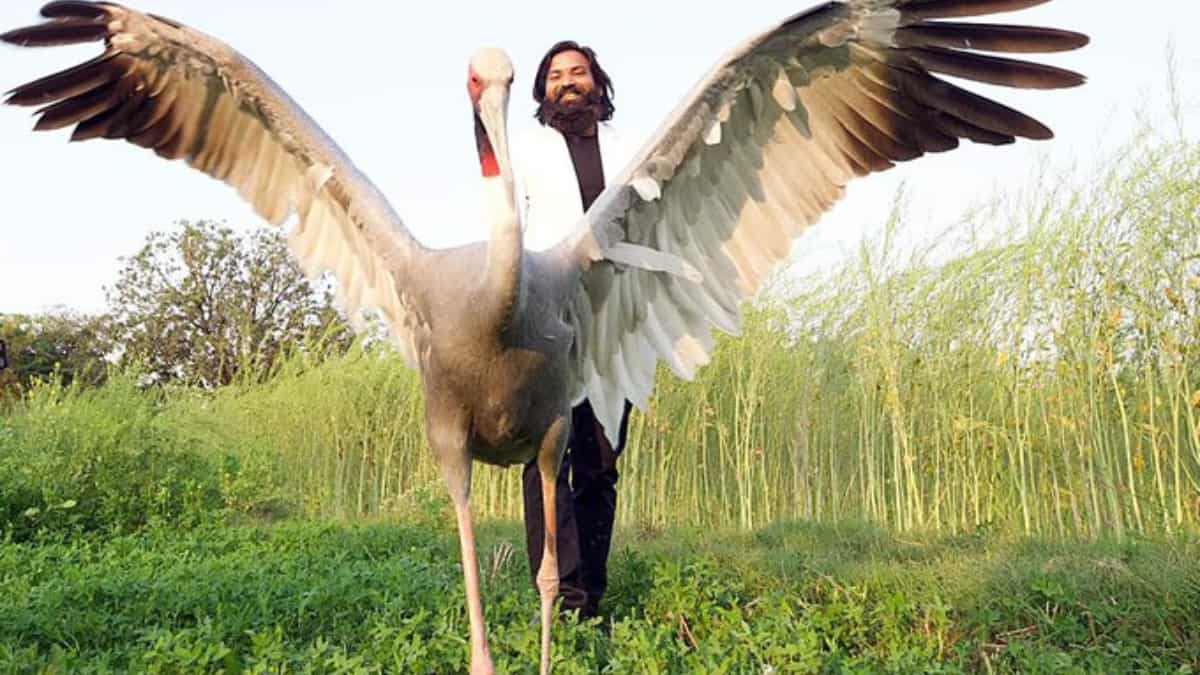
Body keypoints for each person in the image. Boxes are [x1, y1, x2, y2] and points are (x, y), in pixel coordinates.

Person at [512, 40, 634, 620]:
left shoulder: (628, 150)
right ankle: (563, 600)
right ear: (543, 90)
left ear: (596, 82)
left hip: (615, 323)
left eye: (577, 72)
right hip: (549, 322)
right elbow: (509, 233)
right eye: (556, 75)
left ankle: (595, 597)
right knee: (547, 463)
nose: (568, 81)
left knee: (601, 466)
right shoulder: (527, 150)